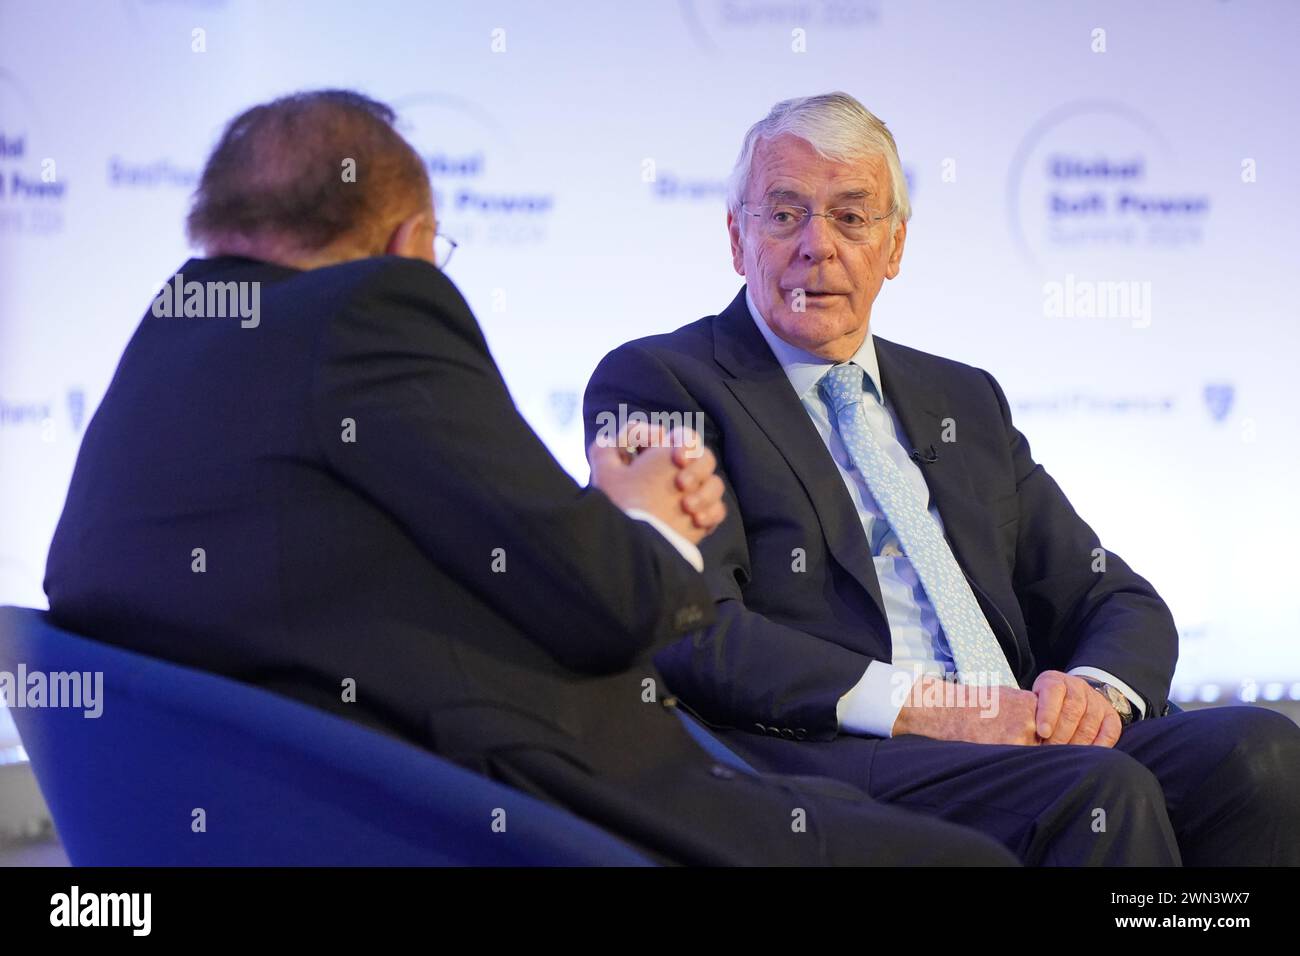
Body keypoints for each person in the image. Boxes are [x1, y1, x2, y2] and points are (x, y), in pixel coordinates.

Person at [43, 89, 1016, 866]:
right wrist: (648, 519)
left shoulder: (168, 339)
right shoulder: (375, 309)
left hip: (292, 805)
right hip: (526, 797)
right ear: (406, 241)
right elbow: (605, 601)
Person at [584, 91, 1300, 865]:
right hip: (833, 753)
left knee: (1259, 754)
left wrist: (1091, 696)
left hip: (1021, 734)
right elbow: (691, 626)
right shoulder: (661, 383)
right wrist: (932, 709)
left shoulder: (963, 398)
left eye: (852, 218)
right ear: (737, 237)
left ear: (894, 247)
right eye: (785, 215)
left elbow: (1109, 594)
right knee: (1096, 790)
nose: (817, 246)